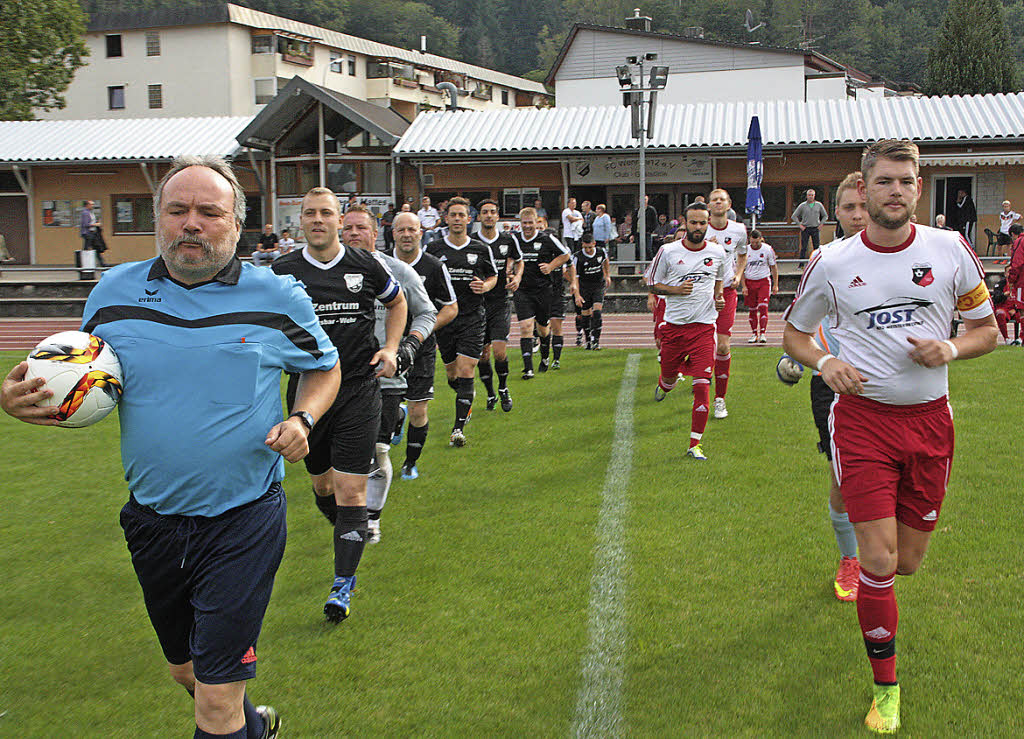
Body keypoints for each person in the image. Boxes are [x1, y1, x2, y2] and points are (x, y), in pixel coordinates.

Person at [3, 155, 341, 738]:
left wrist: (303, 418)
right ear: (159, 218)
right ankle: (252, 727)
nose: (192, 223)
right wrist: (21, 397)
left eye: (210, 212)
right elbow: (79, 376)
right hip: (152, 520)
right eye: (177, 210)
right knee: (186, 671)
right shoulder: (111, 293)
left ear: (236, 224)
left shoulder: (276, 297)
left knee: (213, 703)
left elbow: (324, 367)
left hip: (242, 520)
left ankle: (230, 718)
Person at [783, 139, 998, 734]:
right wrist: (825, 364)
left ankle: (878, 590)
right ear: (863, 187)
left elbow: (989, 330)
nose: (895, 190)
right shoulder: (831, 263)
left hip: (931, 423)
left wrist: (950, 347)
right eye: (884, 181)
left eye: (906, 180)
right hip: (863, 422)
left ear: (918, 187)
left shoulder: (950, 249)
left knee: (907, 563)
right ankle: (887, 688)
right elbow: (795, 336)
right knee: (877, 560)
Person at [272, 190, 407, 624]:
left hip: (358, 390)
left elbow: (397, 301)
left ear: (337, 221)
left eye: (325, 213)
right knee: (323, 487)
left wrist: (390, 348)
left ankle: (342, 584)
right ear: (301, 223)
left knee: (352, 490)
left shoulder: (365, 265)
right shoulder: (283, 272)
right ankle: (346, 531)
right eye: (309, 213)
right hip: (308, 394)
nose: (317, 220)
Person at [778, 171, 869, 603]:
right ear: (835, 212)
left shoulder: (916, 256)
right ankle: (851, 559)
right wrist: (799, 356)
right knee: (843, 474)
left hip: (896, 388)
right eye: (849, 207)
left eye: (863, 206)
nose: (857, 215)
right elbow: (804, 321)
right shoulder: (826, 260)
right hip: (832, 385)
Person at [344, 208, 436, 544]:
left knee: (377, 451)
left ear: (374, 232)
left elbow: (427, 313)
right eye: (348, 228)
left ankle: (371, 519)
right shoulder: (329, 274)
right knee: (328, 470)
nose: (354, 233)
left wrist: (409, 345)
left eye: (361, 228)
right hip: (339, 378)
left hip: (386, 378)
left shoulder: (398, 272)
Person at [648, 202, 726, 461]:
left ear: (708, 223)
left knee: (703, 386)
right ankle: (665, 384)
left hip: (704, 329)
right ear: (685, 222)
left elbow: (718, 279)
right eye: (693, 222)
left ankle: (695, 444)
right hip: (674, 328)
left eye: (703, 223)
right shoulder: (668, 251)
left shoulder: (717, 252)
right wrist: (674, 290)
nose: (698, 227)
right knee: (669, 379)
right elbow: (651, 283)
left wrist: (719, 297)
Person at [391, 211, 458, 479]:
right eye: (401, 230)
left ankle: (410, 462)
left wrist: (421, 332)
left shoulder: (434, 266)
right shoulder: (379, 264)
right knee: (381, 407)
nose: (407, 235)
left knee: (419, 408)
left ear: (421, 232)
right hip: (386, 347)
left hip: (421, 348)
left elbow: (451, 308)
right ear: (393, 234)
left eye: (412, 229)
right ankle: (396, 416)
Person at [427, 197, 498, 446]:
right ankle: (466, 397)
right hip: (445, 318)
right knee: (452, 374)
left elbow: (493, 276)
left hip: (472, 317)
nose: (457, 219)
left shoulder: (480, 248)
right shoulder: (434, 249)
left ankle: (457, 430)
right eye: (453, 215)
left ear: (469, 219)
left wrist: (485, 286)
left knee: (467, 368)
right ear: (446, 219)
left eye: (462, 215)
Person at [512, 207, 571, 378]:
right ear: (520, 224)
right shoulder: (514, 240)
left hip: (543, 290)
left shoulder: (546, 238)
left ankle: (545, 356)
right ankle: (528, 369)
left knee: (543, 329)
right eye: (524, 223)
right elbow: (509, 258)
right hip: (522, 290)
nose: (528, 226)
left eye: (531, 223)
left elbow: (565, 255)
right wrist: (511, 271)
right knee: (525, 327)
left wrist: (551, 266)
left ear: (537, 222)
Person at [705, 188, 749, 420]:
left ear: (729, 204)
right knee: (700, 348)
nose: (719, 203)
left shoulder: (739, 230)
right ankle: (700, 389)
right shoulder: (701, 229)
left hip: (727, 293)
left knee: (722, 347)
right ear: (709, 205)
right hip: (702, 293)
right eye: (715, 200)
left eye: (722, 199)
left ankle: (719, 399)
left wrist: (739, 275)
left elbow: (742, 255)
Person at [476, 199, 523, 411]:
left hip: (500, 302)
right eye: (484, 212)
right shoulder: (471, 242)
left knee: (499, 351)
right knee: (482, 355)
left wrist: (517, 277)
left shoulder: (507, 240)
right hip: (476, 306)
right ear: (479, 216)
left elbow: (519, 261)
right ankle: (490, 393)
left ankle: (503, 388)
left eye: (492, 212)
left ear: (497, 216)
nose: (488, 215)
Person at [572, 230, 611, 350]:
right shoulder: (578, 257)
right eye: (585, 247)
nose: (588, 250)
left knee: (597, 312)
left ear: (594, 243)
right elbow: (575, 278)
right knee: (586, 314)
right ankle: (588, 339)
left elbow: (605, 262)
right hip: (584, 287)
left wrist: (607, 275)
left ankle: (596, 341)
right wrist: (577, 295)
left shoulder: (601, 252)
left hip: (598, 285)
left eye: (590, 247)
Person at [740, 229, 777, 344]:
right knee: (752, 309)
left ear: (761, 239)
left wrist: (775, 284)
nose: (755, 245)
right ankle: (754, 333)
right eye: (753, 242)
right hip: (750, 282)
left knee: (763, 307)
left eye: (757, 243)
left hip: (763, 281)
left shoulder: (767, 249)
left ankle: (763, 333)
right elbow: (740, 269)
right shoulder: (745, 250)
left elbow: (774, 267)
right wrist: (744, 286)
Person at [791, 188, 829, 263]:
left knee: (817, 247)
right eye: (809, 195)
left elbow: (825, 216)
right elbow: (794, 216)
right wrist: (800, 225)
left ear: (814, 196)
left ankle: (817, 263)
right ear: (807, 196)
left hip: (815, 228)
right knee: (804, 247)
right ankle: (801, 264)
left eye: (812, 195)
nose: (810, 196)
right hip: (805, 228)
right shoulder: (802, 205)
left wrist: (821, 224)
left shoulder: (819, 205)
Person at [79, 199, 106, 266]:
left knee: (96, 247)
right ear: (87, 205)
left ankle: (102, 263)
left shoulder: (90, 212)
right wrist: (95, 224)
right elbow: (85, 224)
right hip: (88, 233)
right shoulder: (85, 213)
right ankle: (84, 263)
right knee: (87, 248)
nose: (92, 206)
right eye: (91, 204)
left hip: (93, 232)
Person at [633, 195, 658, 260]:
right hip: (637, 233)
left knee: (648, 249)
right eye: (641, 199)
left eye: (645, 199)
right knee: (638, 248)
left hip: (647, 233)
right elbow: (634, 222)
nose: (643, 201)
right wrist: (633, 233)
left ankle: (650, 263)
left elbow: (654, 221)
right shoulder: (637, 210)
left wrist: (650, 230)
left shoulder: (651, 210)